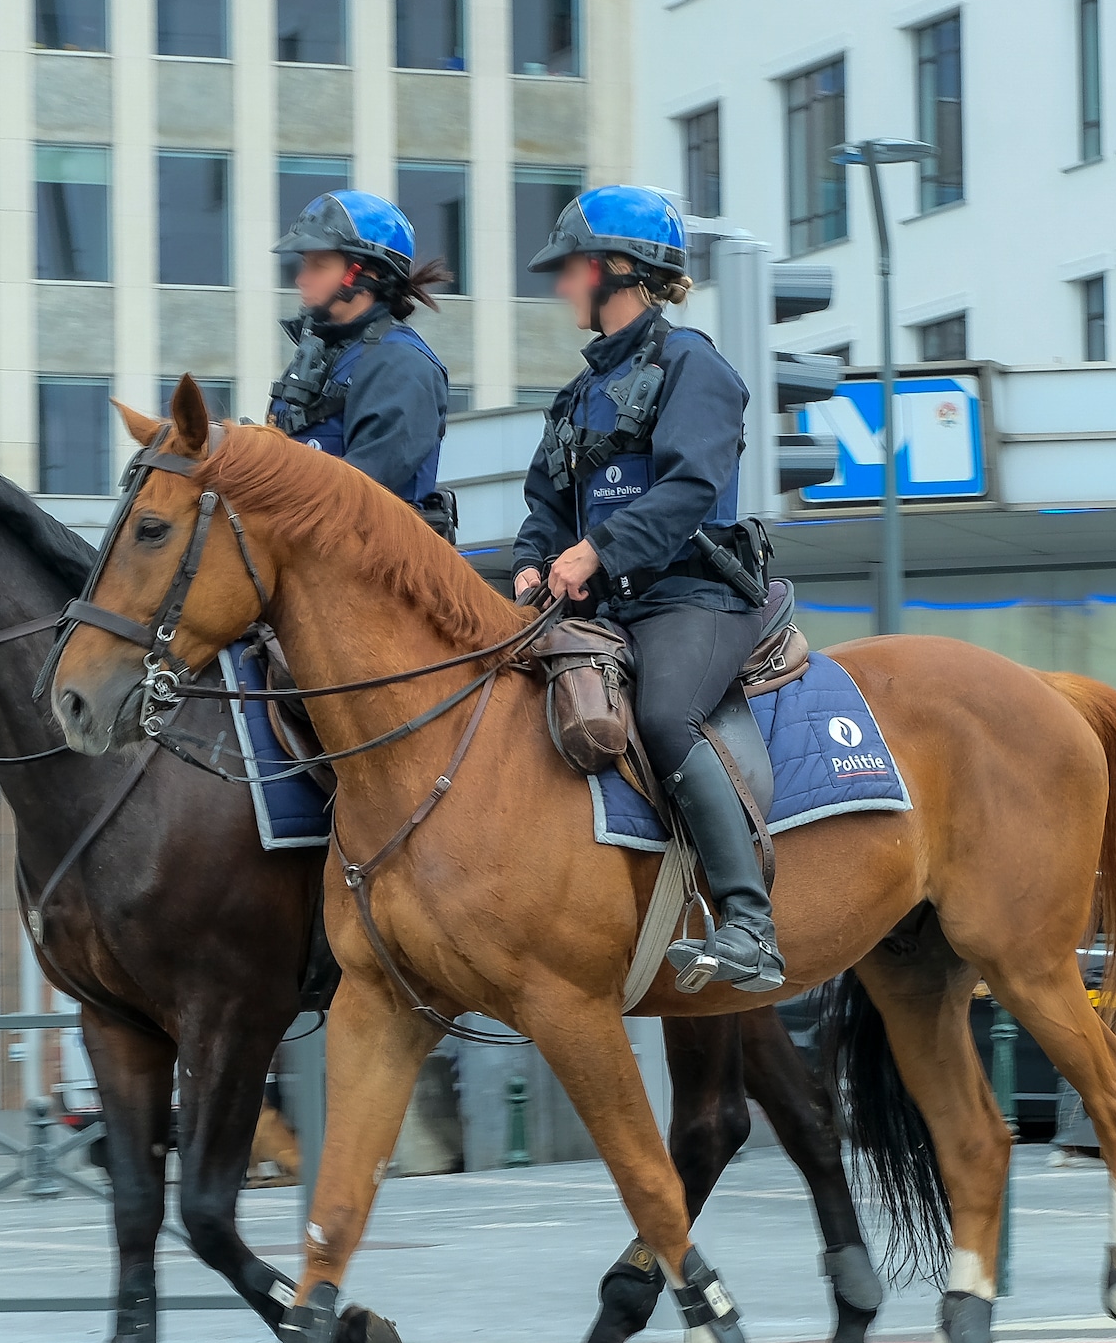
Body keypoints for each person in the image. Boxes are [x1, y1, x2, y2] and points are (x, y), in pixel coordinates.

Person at [512, 184, 785, 994]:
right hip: (609, 604)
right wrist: (535, 560)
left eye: (570, 269)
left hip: (695, 598)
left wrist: (593, 552)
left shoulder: (695, 366)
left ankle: (749, 925)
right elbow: (545, 504)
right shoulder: (576, 394)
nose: (560, 284)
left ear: (618, 269)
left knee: (666, 716)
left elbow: (688, 487)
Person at [267, 190, 457, 533]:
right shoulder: (325, 355)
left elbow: (359, 490)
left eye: (317, 265)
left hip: (376, 570)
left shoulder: (401, 364)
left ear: (363, 275)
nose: (301, 278)